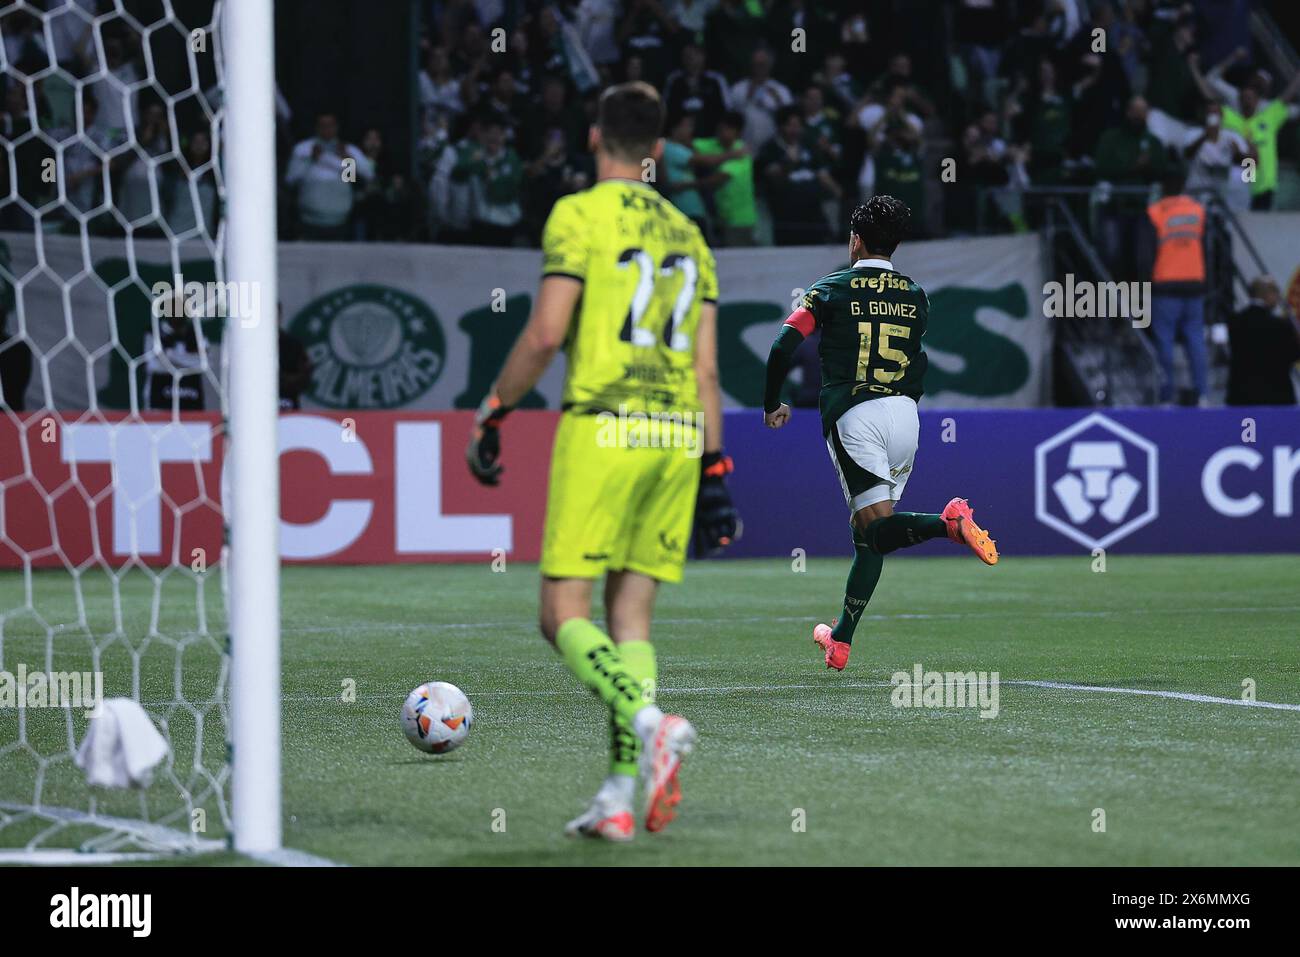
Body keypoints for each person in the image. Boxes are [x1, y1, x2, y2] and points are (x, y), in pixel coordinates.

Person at [464, 82, 738, 841]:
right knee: (632, 616)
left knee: (561, 616)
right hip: (678, 433)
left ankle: (651, 723)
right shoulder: (691, 233)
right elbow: (708, 371)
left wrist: (494, 411)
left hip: (607, 426)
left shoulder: (578, 213)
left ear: (594, 139)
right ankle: (619, 797)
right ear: (658, 150)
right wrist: (715, 468)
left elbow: (547, 333)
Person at [761, 196, 999, 672]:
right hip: (906, 418)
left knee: (877, 528)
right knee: (868, 535)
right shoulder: (915, 294)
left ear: (855, 240)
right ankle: (841, 638)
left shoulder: (830, 288)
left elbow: (782, 345)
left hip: (856, 415)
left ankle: (947, 523)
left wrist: (772, 404)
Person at [1148, 173, 1208, 405]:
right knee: (1196, 340)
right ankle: (1202, 393)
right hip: (1194, 281)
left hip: (1165, 284)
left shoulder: (1156, 212)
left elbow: (1145, 252)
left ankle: (1166, 396)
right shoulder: (1197, 210)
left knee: (1164, 341)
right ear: (1183, 187)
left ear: (1162, 189)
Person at [1226, 277, 1300, 406]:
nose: (1278, 298)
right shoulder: (1280, 326)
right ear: (1268, 295)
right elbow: (1294, 354)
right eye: (1276, 293)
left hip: (1241, 397)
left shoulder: (1234, 322)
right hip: (1277, 398)